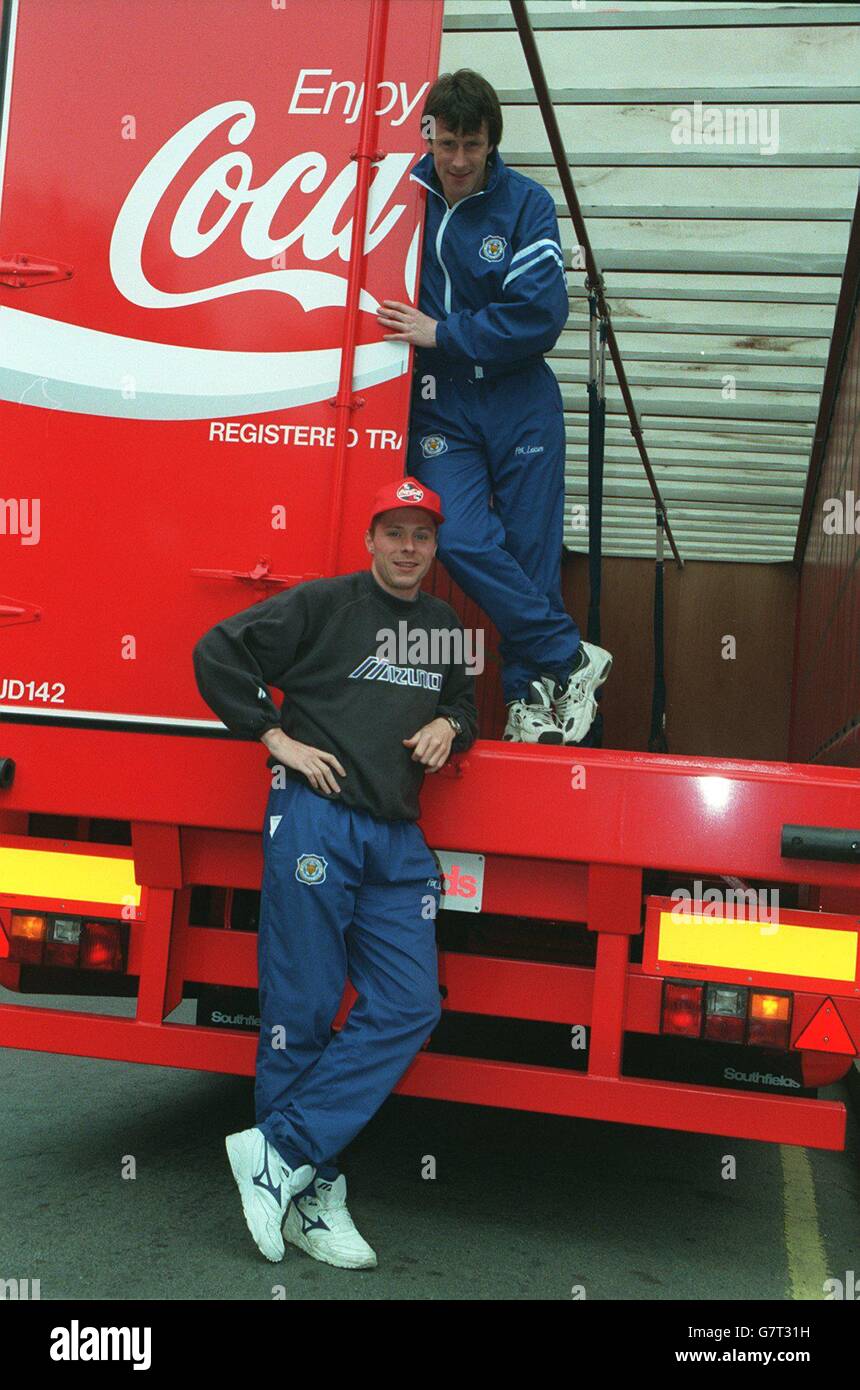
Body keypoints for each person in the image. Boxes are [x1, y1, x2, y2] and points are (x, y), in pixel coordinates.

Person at [192, 477, 477, 1270]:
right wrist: (272, 735)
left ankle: (282, 1153)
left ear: (434, 546)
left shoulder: (445, 626)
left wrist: (451, 723)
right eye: (394, 533)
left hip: (395, 836)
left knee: (410, 1005)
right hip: (317, 818)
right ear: (370, 540)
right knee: (304, 1006)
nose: (408, 547)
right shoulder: (324, 605)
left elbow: (469, 701)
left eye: (422, 535)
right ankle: (315, 1196)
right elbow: (217, 650)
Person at [377, 68, 612, 745]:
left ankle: (529, 706)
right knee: (458, 536)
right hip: (440, 405)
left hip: (520, 401)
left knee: (532, 558)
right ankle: (570, 656)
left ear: (491, 145)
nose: (456, 161)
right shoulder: (400, 203)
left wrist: (442, 332)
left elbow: (538, 315)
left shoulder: (527, 204)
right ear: (429, 138)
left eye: (470, 146)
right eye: (446, 143)